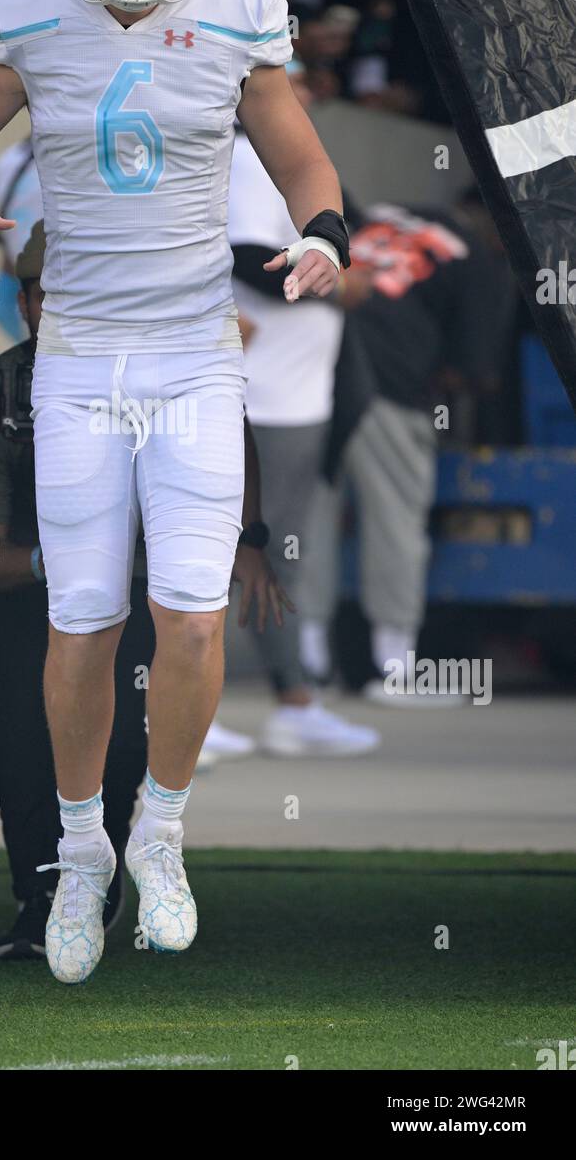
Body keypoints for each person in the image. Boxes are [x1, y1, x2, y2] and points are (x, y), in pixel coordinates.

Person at [0, 0, 349, 984]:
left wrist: (320, 232)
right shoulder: (31, 8)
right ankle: (83, 848)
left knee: (192, 617)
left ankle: (160, 829)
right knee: (82, 621)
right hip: (82, 355)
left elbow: (299, 153)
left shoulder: (238, 5)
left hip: (194, 350)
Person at [0, 220, 288, 961]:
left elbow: (230, 429)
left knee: (128, 726)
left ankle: (128, 856)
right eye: (40, 295)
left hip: (130, 583)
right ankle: (46, 890)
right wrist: (68, 564)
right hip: (18, 594)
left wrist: (248, 544)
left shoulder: (172, 375)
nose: (54, 307)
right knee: (30, 722)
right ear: (26, 302)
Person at [228, 59, 379, 755]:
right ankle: (288, 705)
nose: (312, 90)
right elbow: (243, 254)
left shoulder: (283, 160)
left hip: (296, 393)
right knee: (261, 555)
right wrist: (335, 282)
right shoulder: (240, 156)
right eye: (294, 77)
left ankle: (287, 701)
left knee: (273, 554)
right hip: (267, 397)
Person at [297, 201, 498, 707]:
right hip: (388, 386)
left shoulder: (375, 214)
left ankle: (305, 667)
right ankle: (396, 668)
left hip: (312, 367)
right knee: (395, 521)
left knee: (307, 518)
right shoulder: (477, 255)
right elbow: (472, 369)